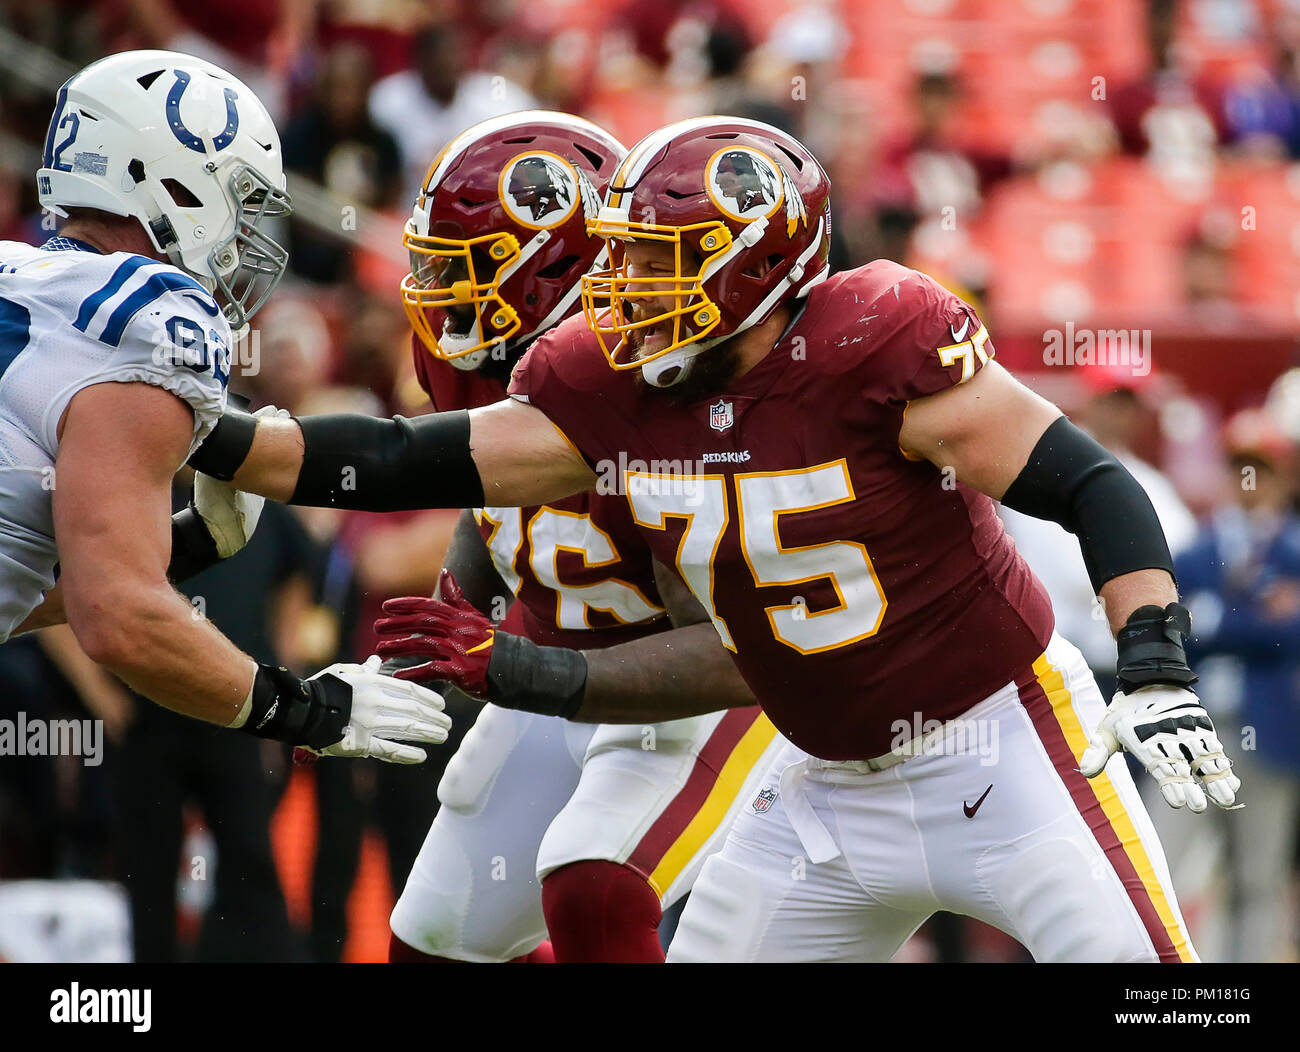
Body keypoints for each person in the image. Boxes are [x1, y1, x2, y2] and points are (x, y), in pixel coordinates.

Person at [191, 116, 1240, 961]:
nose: (626, 284)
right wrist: (224, 436)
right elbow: (404, 458)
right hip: (824, 785)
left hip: (1006, 743)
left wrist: (1151, 658)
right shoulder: (606, 384)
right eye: (628, 255)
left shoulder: (879, 342)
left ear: (757, 267)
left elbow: (1092, 484)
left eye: (658, 258)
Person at [385, 111, 784, 963]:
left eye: (460, 272)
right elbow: (490, 528)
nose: (436, 296)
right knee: (437, 943)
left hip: (702, 691)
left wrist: (522, 668)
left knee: (596, 891)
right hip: (562, 675)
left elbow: (722, 648)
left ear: (551, 275)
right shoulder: (516, 394)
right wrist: (402, 669)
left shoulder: (653, 404)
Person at [0, 50, 448, 765]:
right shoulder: (149, 316)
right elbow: (118, 618)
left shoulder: (20, 273)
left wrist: (193, 543)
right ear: (169, 181)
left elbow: (27, 587)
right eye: (238, 199)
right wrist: (310, 711)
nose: (244, 235)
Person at [1157, 410, 1300, 961]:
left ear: (1283, 476)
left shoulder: (1290, 549)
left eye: (1260, 468)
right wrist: (1254, 620)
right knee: (1158, 868)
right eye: (1241, 466)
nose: (1250, 481)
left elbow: (1291, 635)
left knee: (1257, 880)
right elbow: (1167, 632)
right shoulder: (1197, 549)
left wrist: (1216, 620)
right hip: (1190, 729)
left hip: (1268, 729)